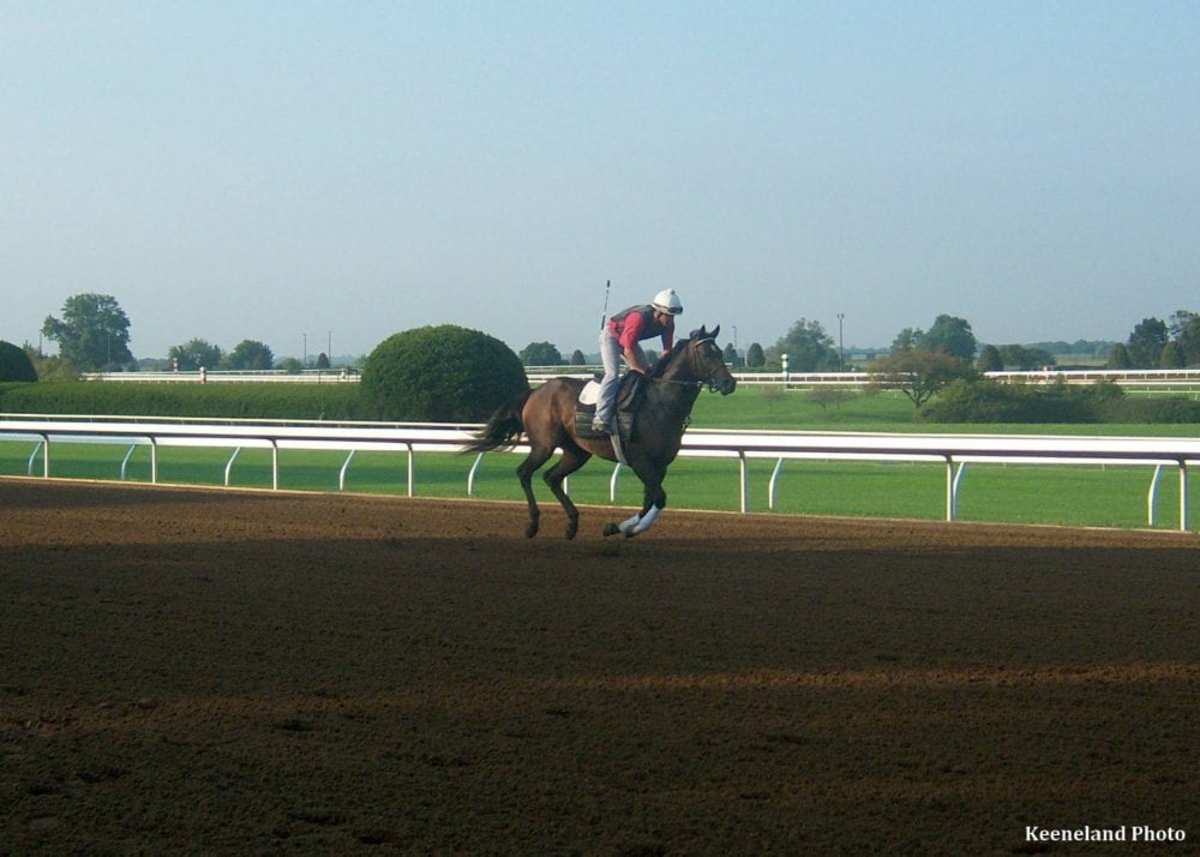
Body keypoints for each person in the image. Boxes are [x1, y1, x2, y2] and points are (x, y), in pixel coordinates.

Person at [592, 288, 683, 433]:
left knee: (648, 373)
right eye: (669, 316)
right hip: (611, 336)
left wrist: (657, 370)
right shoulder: (638, 318)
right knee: (612, 374)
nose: (671, 320)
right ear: (658, 312)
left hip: (630, 342)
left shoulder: (668, 324)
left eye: (673, 316)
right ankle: (601, 417)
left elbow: (667, 352)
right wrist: (639, 370)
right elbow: (627, 350)